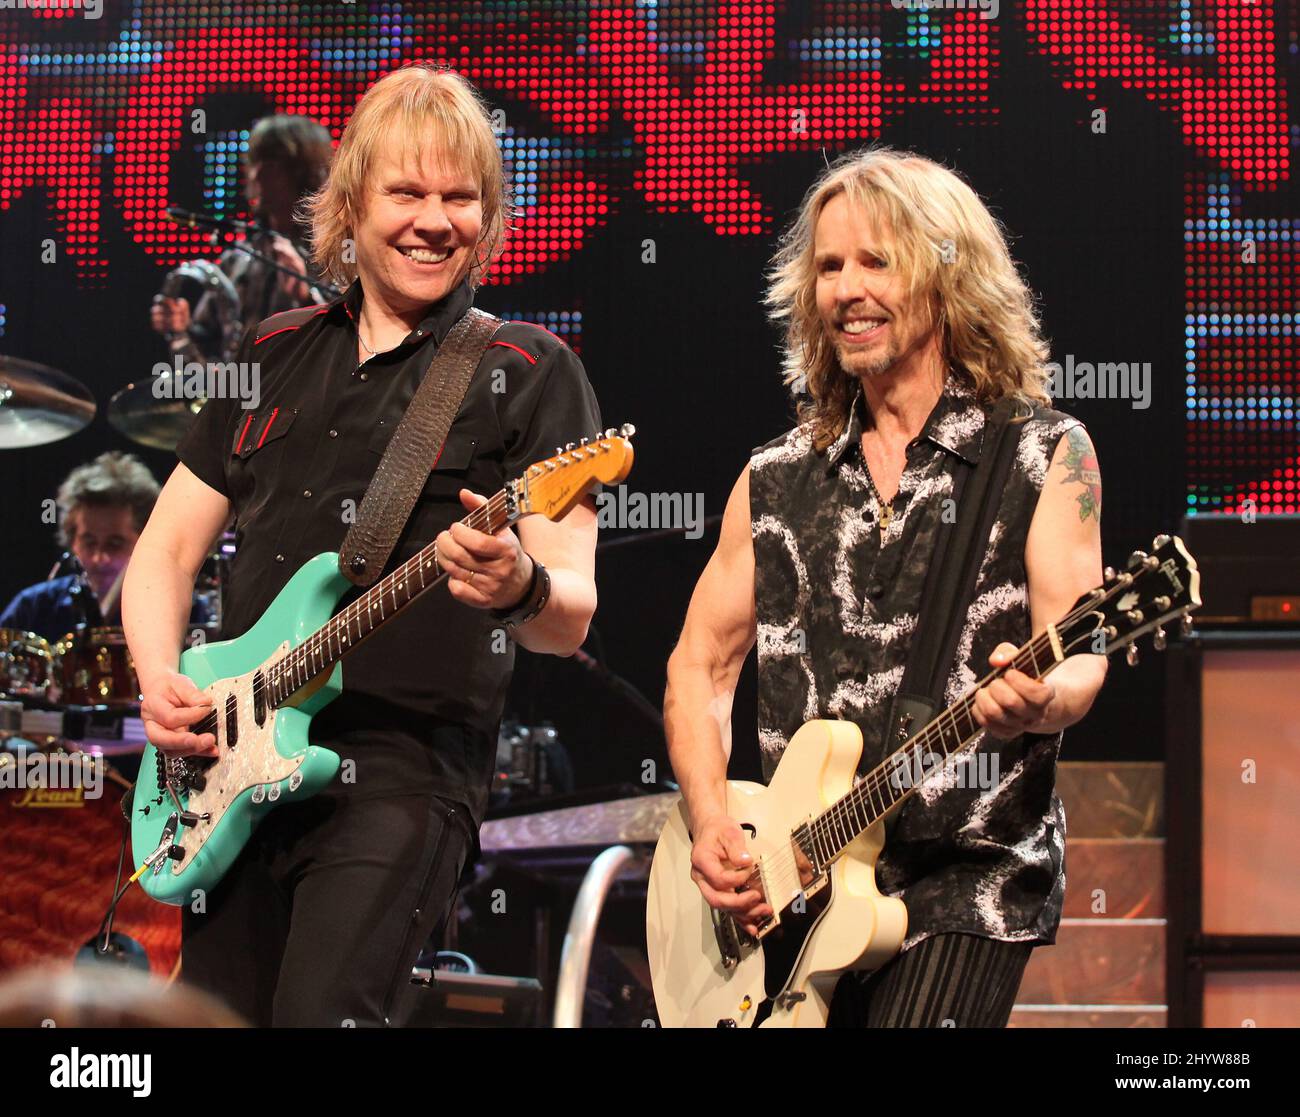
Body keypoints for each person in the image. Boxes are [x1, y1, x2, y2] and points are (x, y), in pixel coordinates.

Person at [121, 63, 601, 1027]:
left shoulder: (527, 369)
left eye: (461, 198)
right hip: (226, 761)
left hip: (401, 774)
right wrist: (158, 679)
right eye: (408, 193)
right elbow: (165, 554)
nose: (436, 220)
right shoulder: (268, 352)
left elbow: (571, 612)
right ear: (349, 206)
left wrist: (517, 587)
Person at [663, 147, 1109, 1027]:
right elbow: (699, 672)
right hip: (799, 887)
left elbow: (1081, 657)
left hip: (968, 875)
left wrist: (1036, 699)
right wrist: (712, 821)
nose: (846, 287)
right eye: (829, 266)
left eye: (877, 261)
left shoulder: (1043, 454)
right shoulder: (776, 477)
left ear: (949, 279)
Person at [150, 114, 335, 363]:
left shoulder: (336, 249)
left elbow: (351, 337)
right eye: (255, 163)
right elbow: (210, 343)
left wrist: (305, 295)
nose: (256, 174)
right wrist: (181, 327)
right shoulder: (239, 256)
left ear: (302, 172)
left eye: (270, 164)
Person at [1, 451, 208, 641]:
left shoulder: (186, 609)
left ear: (146, 541)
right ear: (72, 541)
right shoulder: (33, 607)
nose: (100, 558)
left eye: (114, 544)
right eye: (89, 542)